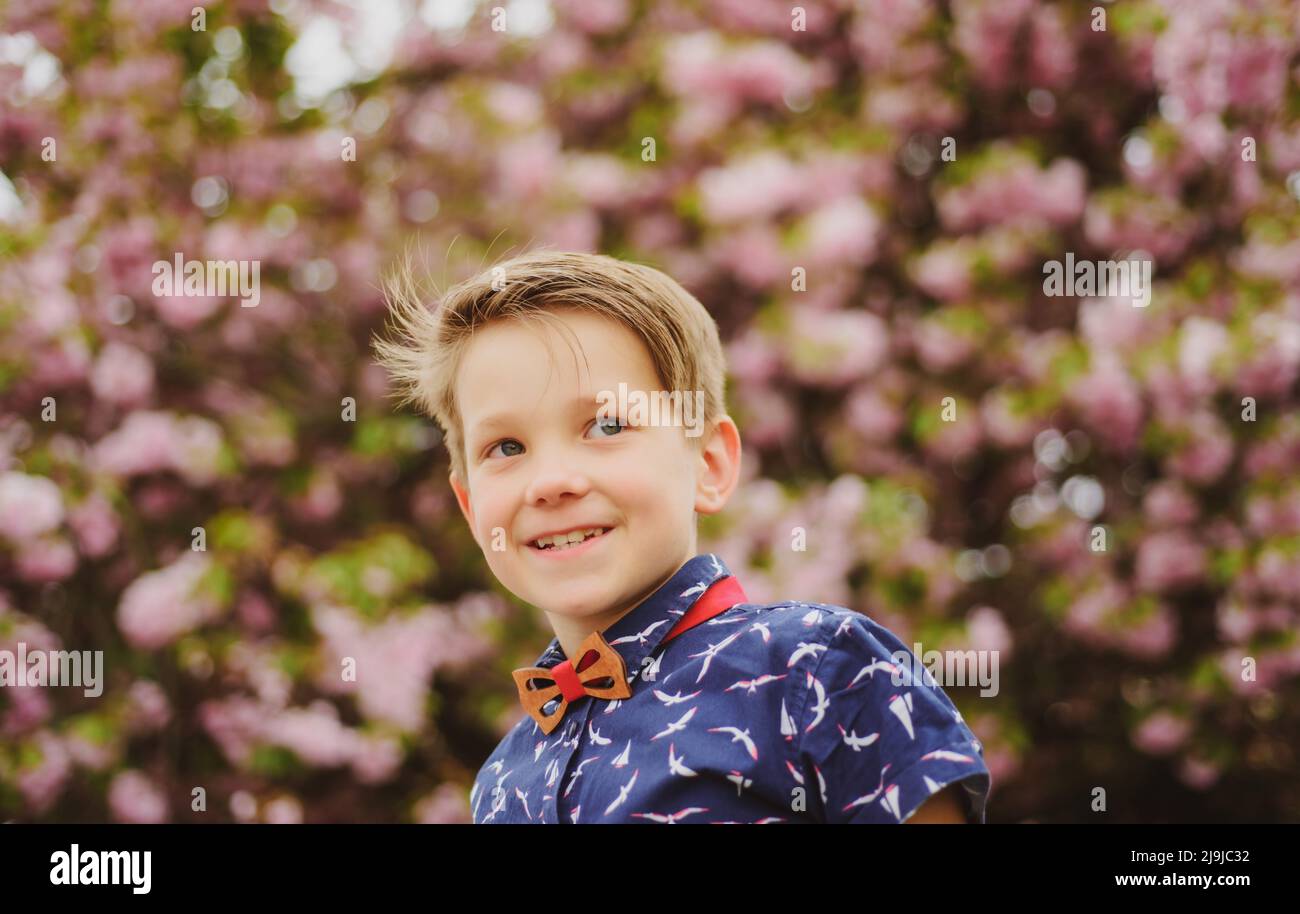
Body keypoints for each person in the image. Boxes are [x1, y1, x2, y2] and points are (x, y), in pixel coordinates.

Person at [374, 248, 991, 824]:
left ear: (708, 464)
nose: (551, 482)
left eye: (606, 425)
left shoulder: (818, 668)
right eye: (506, 447)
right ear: (469, 505)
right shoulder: (500, 780)